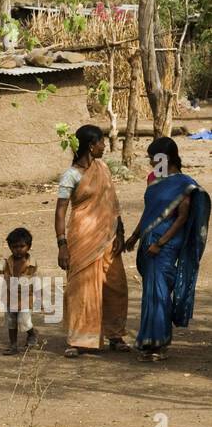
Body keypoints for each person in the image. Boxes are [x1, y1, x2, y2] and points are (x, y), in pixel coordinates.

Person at [123, 137, 210, 361]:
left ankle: (158, 344)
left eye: (154, 158)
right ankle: (148, 340)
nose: (151, 162)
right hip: (149, 242)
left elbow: (181, 218)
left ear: (165, 158)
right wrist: (135, 236)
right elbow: (149, 212)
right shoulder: (154, 181)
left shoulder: (184, 184)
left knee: (160, 292)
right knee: (150, 292)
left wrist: (160, 243)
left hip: (165, 245)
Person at [55, 124, 131, 357]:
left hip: (109, 238)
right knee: (82, 289)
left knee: (115, 286)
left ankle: (115, 335)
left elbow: (113, 204)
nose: (104, 146)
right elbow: (60, 212)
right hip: (82, 238)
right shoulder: (71, 175)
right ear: (91, 145)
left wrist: (120, 233)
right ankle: (80, 339)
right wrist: (62, 245)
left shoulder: (104, 168)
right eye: (101, 142)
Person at [0, 227, 39, 355]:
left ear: (28, 246)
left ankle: (32, 333)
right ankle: (13, 345)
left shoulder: (32, 264)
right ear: (10, 247)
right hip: (10, 298)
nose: (18, 250)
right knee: (11, 322)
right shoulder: (8, 262)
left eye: (22, 246)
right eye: (15, 247)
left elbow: (31, 282)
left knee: (24, 321)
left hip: (25, 299)